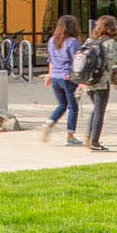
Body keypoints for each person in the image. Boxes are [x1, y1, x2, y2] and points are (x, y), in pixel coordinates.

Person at [76, 15, 117, 152]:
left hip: (88, 81)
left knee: (96, 109)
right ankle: (94, 142)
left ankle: (88, 137)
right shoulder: (111, 43)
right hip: (101, 82)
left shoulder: (90, 41)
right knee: (99, 111)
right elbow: (111, 62)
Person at [41, 15, 82, 146]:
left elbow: (51, 60)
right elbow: (77, 62)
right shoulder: (72, 42)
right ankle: (70, 136)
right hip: (68, 78)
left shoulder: (52, 40)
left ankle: (49, 123)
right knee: (73, 107)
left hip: (56, 77)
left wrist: (49, 75)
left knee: (62, 105)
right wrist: (81, 80)